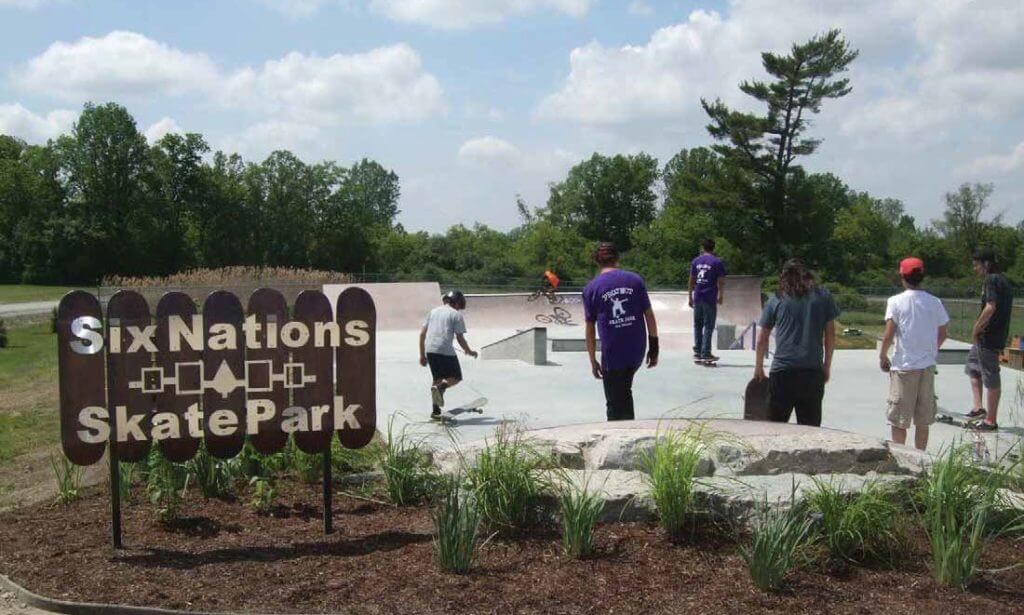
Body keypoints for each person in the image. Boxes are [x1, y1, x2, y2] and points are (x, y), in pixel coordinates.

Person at [754, 259, 839, 427]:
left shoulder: (777, 299)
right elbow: (830, 335)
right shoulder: (823, 297)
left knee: (774, 429)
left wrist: (758, 367)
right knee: (810, 430)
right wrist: (826, 365)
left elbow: (762, 338)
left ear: (783, 277)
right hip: (812, 372)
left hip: (782, 373)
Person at [582, 242, 659, 421]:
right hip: (636, 352)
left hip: (613, 355)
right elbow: (649, 315)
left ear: (597, 261)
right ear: (617, 258)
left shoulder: (591, 288)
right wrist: (654, 348)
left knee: (615, 404)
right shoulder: (635, 280)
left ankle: (622, 434)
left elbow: (590, 328)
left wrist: (593, 360)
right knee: (624, 390)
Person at [878, 257, 949, 450]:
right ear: (922, 277)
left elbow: (889, 333)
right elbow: (943, 333)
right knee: (923, 420)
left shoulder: (895, 301)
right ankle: (921, 458)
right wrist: (931, 350)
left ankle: (902, 457)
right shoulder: (935, 302)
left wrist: (883, 355)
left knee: (899, 419)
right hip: (927, 367)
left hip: (904, 367)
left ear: (902, 276)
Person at [964, 247, 1013, 431]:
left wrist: (977, 327)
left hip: (989, 336)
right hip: (991, 335)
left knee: (991, 375)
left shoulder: (991, 280)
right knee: (973, 367)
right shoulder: (1004, 281)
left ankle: (990, 421)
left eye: (976, 265)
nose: (975, 269)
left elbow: (990, 307)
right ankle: (978, 408)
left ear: (987, 264)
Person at [419, 290, 478, 419]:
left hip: (430, 349)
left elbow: (422, 334)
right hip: (445, 350)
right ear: (457, 302)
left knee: (437, 379)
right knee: (455, 377)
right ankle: (441, 387)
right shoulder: (456, 315)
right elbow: (460, 338)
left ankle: (435, 410)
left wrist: (422, 355)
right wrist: (469, 351)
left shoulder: (433, 311)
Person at [688, 238, 726, 363]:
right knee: (708, 326)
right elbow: (721, 281)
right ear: (713, 248)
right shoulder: (717, 262)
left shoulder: (696, 261)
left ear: (703, 248)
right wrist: (721, 295)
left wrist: (690, 296)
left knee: (697, 325)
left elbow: (691, 280)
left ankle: (698, 351)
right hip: (710, 297)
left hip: (698, 296)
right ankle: (706, 353)